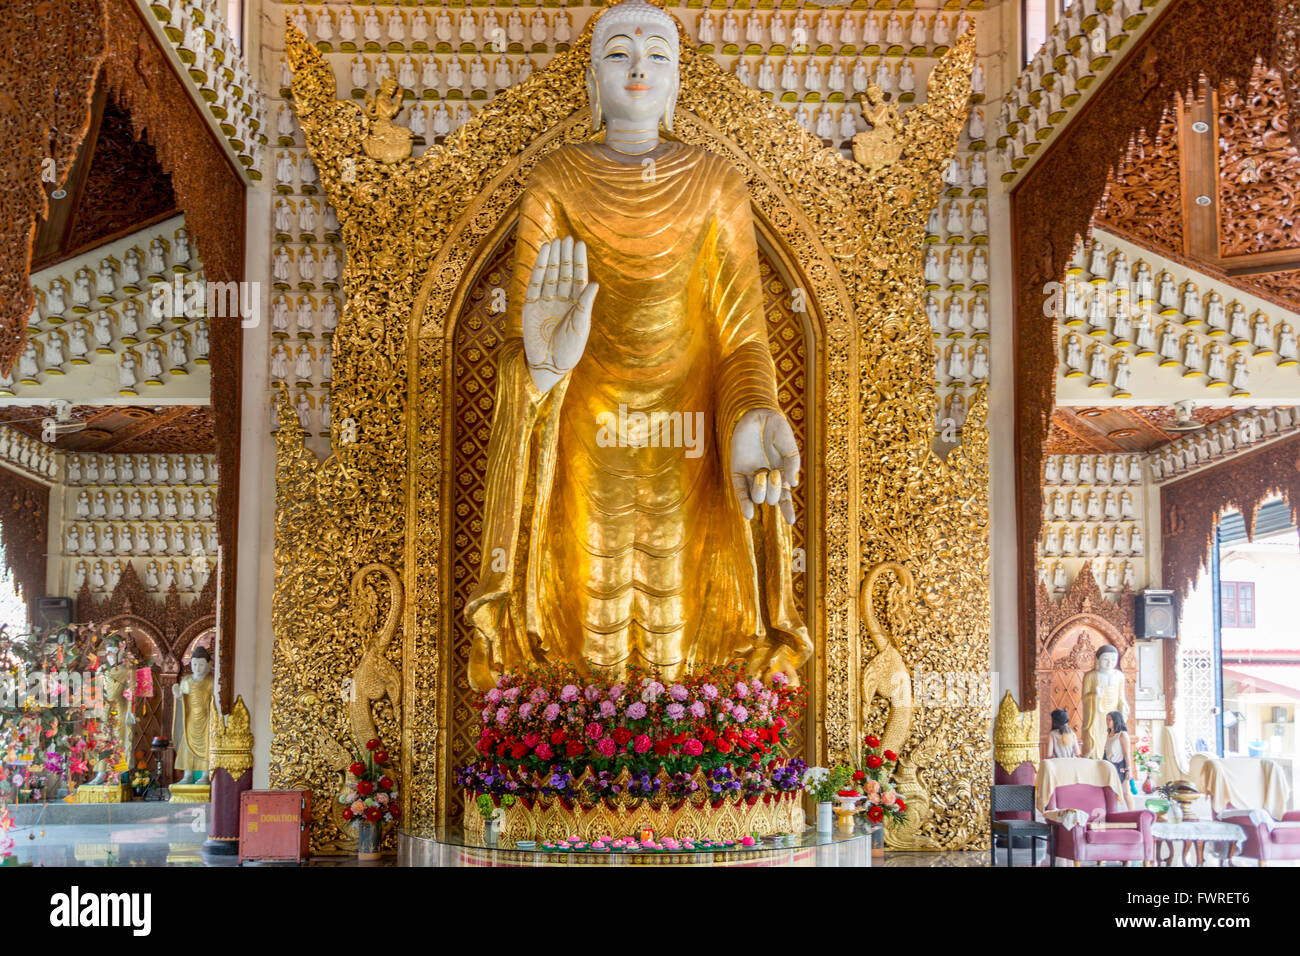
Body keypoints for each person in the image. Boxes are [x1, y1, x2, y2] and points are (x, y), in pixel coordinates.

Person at [1105, 710, 1135, 808]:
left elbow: (1127, 754)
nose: (1108, 721)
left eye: (1110, 720)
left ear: (1116, 720)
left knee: (1126, 792)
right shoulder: (1109, 735)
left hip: (1121, 766)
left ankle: (1132, 813)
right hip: (1110, 767)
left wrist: (1128, 769)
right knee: (1112, 793)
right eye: (1107, 719)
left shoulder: (1122, 735)